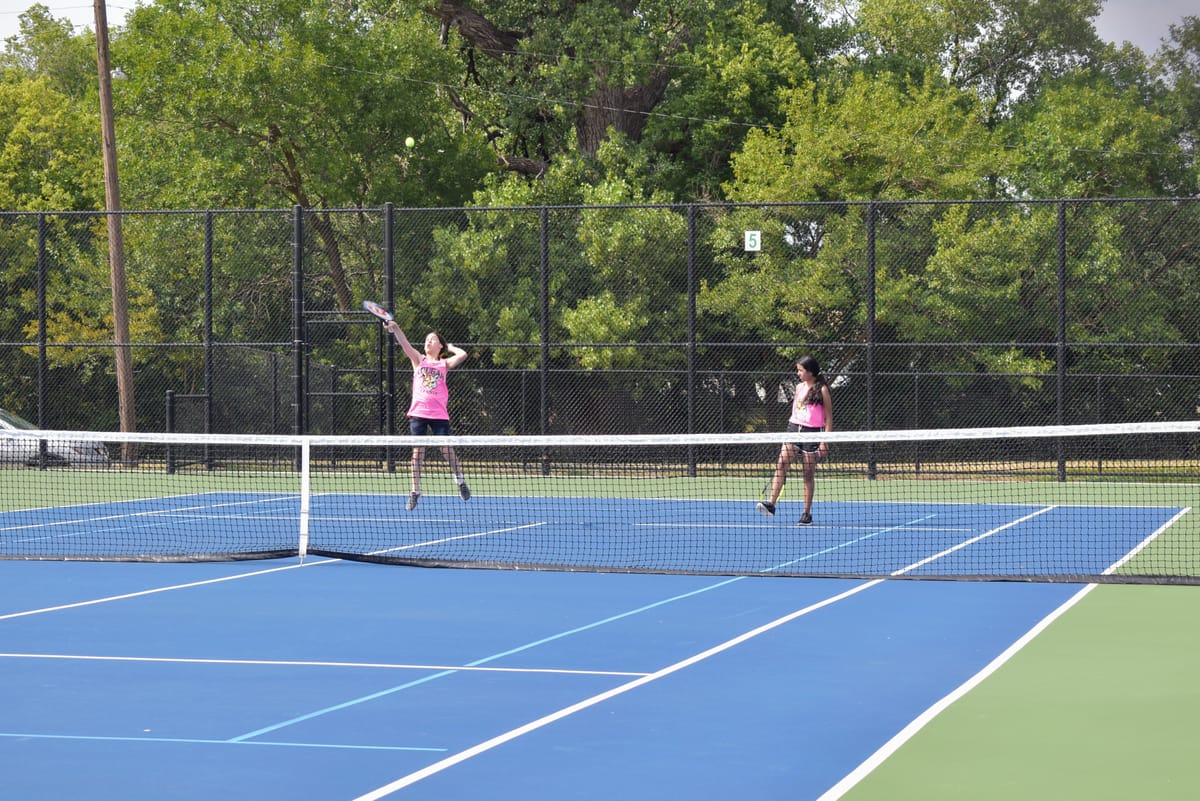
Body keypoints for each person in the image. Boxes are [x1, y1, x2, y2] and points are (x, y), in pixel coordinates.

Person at [384, 319, 471, 510]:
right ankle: (415, 491)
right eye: (426, 340)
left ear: (440, 345)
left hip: (439, 414)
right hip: (419, 413)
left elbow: (463, 355)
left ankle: (460, 482)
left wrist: (450, 347)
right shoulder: (418, 360)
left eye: (432, 340)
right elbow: (404, 344)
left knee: (446, 450)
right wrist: (396, 327)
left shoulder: (444, 364)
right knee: (417, 453)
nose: (428, 342)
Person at [757, 355, 833, 525]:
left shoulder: (822, 390)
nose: (798, 373)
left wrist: (824, 440)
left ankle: (806, 513)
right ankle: (771, 504)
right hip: (793, 429)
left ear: (810, 372)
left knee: (807, 473)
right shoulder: (799, 387)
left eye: (801, 370)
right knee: (781, 465)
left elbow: (829, 417)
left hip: (813, 433)